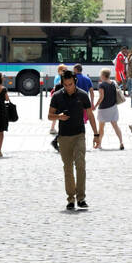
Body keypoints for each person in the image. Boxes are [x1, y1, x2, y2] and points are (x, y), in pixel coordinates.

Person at [48, 69, 92, 211]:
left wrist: (97, 134)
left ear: (75, 82)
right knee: (68, 168)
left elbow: (90, 115)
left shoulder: (83, 95)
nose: (68, 87)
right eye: (66, 85)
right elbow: (50, 115)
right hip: (64, 137)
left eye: (70, 84)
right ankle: (70, 199)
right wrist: (59, 116)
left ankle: (81, 197)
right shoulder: (57, 96)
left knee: (80, 164)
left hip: (79, 134)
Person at [94, 69, 124, 150]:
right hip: (113, 107)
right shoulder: (113, 83)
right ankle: (121, 142)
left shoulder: (101, 85)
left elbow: (101, 97)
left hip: (103, 108)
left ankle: (99, 144)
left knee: (101, 127)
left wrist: (95, 106)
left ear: (103, 75)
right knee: (115, 125)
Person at [71, 62, 99, 146]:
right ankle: (81, 138)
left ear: (76, 70)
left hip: (74, 102)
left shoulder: (73, 78)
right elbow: (91, 91)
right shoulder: (87, 79)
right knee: (83, 121)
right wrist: (92, 102)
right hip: (85, 103)